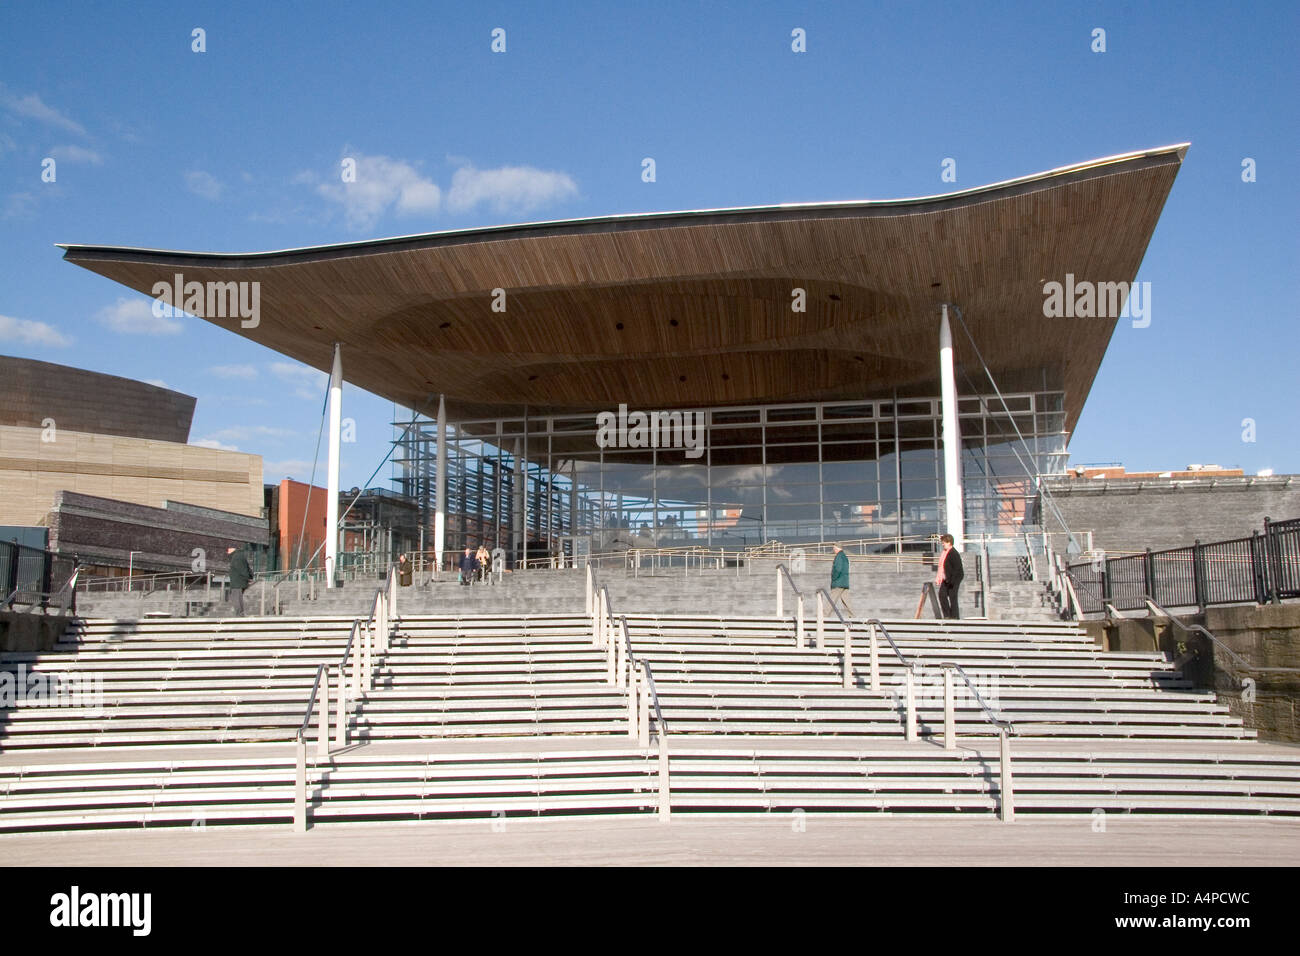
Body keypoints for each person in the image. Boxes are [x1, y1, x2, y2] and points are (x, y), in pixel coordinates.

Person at [936, 533, 964, 619]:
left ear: (949, 542)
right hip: (947, 578)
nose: (942, 544)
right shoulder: (945, 553)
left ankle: (954, 616)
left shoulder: (953, 553)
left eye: (944, 542)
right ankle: (947, 615)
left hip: (954, 578)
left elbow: (957, 568)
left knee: (952, 596)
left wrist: (952, 581)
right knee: (942, 594)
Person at [226, 545, 252, 616]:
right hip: (239, 581)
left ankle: (239, 613)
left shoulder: (236, 557)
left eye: (228, 550)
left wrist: (247, 577)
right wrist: (250, 576)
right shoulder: (240, 555)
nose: (227, 552)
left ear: (232, 549)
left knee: (236, 597)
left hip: (237, 582)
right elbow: (247, 567)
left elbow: (242, 569)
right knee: (238, 597)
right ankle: (240, 613)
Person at [828, 543, 852, 616]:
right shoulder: (844, 557)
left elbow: (837, 569)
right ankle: (853, 617)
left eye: (834, 548)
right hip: (845, 583)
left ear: (836, 548)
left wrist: (834, 579)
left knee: (831, 601)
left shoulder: (838, 557)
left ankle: (824, 615)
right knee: (847, 602)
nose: (833, 549)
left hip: (838, 583)